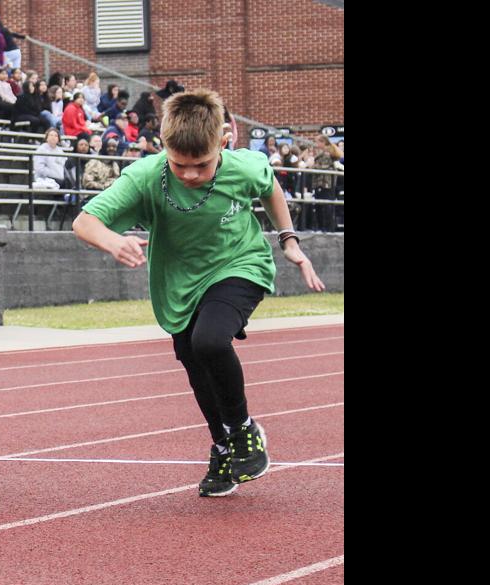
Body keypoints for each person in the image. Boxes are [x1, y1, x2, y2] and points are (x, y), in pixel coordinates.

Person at [74, 88, 324, 497]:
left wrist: (288, 240)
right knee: (193, 361)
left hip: (240, 265)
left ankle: (244, 430)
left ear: (223, 141)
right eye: (180, 165)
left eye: (202, 165)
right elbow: (85, 221)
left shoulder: (243, 167)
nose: (189, 174)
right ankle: (223, 445)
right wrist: (110, 241)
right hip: (178, 283)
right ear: (163, 147)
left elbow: (270, 187)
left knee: (210, 341)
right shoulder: (145, 176)